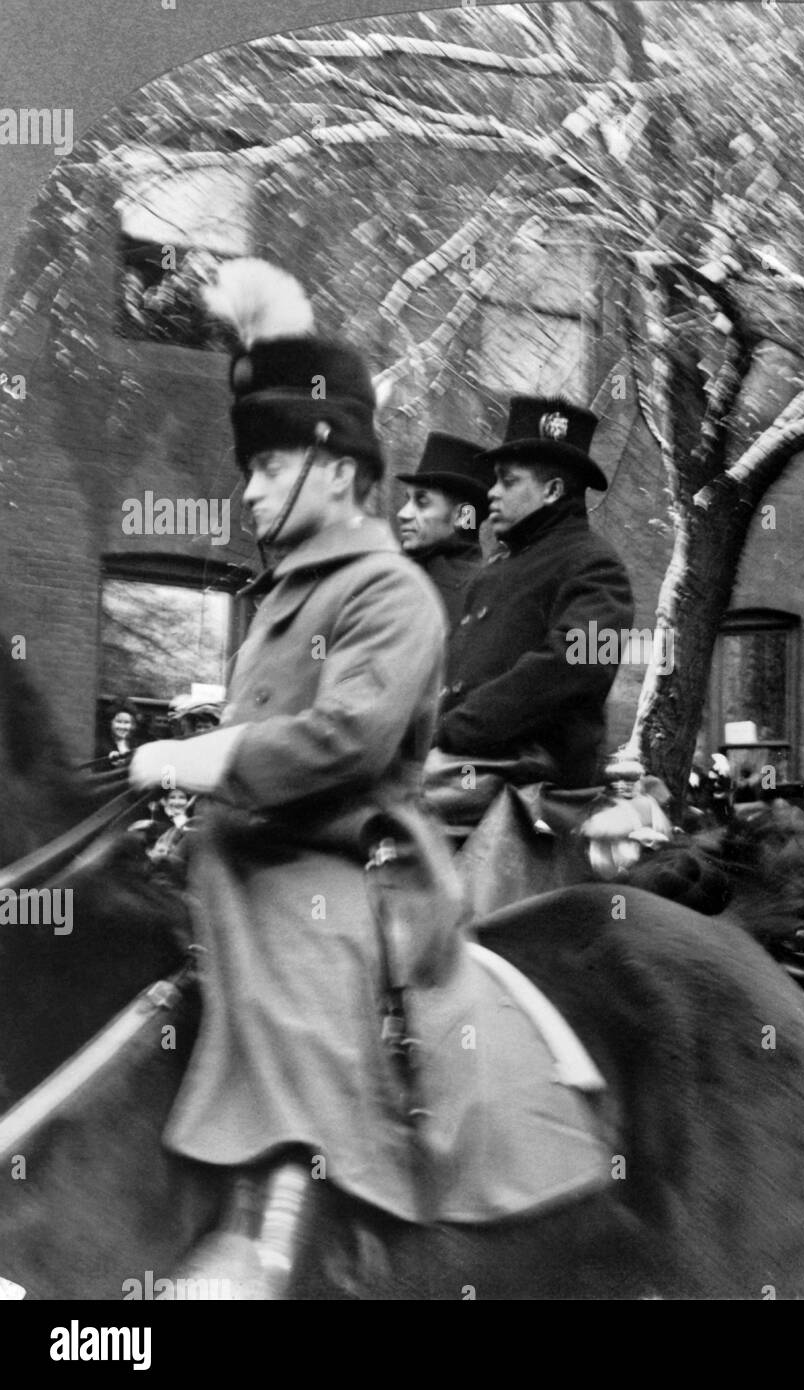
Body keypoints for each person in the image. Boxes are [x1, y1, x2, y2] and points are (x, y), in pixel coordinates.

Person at [128, 258, 456, 1293]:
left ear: (333, 464)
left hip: (334, 872)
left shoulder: (391, 592)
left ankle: (272, 1248)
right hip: (240, 859)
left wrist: (209, 756)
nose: (249, 487)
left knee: (295, 982)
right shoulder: (282, 595)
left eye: (269, 466)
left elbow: (351, 739)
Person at [429, 396, 634, 821]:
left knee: (391, 815)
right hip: (472, 762)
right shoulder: (497, 569)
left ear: (553, 490)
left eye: (507, 481)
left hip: (531, 775)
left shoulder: (596, 564)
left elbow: (574, 667)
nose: (491, 493)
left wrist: (460, 726)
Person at [394, 431, 491, 627]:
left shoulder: (474, 591)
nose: (403, 514)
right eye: (408, 499)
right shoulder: (406, 571)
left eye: (422, 502)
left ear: (462, 516)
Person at [100, 699, 141, 766]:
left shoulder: (138, 744)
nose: (122, 727)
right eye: (118, 722)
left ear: (133, 725)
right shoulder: (102, 745)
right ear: (110, 723)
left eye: (126, 722)